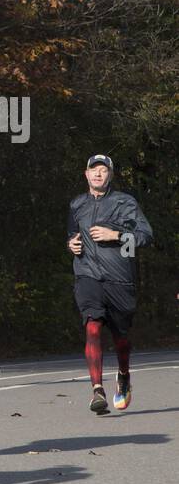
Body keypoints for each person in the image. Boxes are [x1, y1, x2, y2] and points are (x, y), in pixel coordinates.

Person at [67, 154, 152, 414]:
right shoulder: (76, 205)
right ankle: (97, 391)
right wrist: (70, 244)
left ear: (110, 175)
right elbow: (72, 235)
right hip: (87, 275)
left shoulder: (125, 202)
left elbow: (145, 236)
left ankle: (124, 375)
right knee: (92, 326)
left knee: (120, 339)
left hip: (119, 279)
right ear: (86, 174)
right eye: (94, 170)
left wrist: (116, 235)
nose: (98, 174)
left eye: (104, 171)